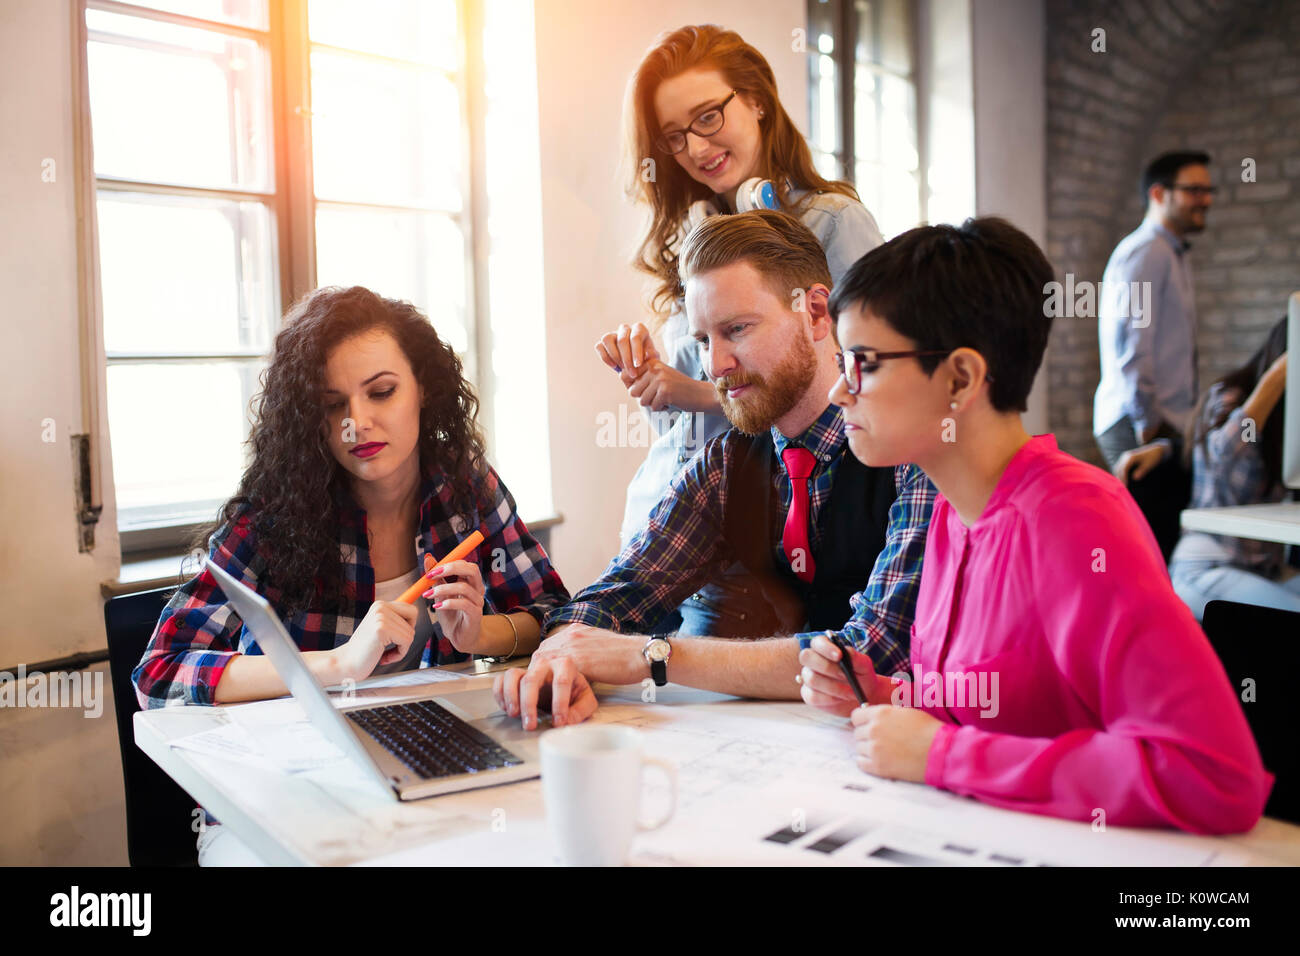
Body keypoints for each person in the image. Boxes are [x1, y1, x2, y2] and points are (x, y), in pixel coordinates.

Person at [799, 217, 1270, 833]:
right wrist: (887, 696)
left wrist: (942, 755)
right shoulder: (950, 508)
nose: (839, 391)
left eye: (863, 362)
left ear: (961, 378)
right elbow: (1004, 704)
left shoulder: (1076, 521)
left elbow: (1212, 776)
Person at [494, 210, 934, 730]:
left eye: (737, 330)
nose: (715, 365)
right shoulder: (728, 463)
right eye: (704, 341)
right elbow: (613, 597)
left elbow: (871, 652)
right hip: (798, 753)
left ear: (817, 312)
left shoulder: (912, 450)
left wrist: (652, 656)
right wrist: (560, 665)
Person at [134, 285, 569, 711]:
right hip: (312, 758)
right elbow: (160, 674)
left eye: (381, 393)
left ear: (424, 389)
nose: (356, 423)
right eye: (331, 405)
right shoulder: (275, 510)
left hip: (436, 737)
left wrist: (477, 636)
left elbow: (556, 618)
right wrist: (339, 663)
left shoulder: (463, 484)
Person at [598, 24, 884, 632]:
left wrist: (692, 391)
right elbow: (685, 426)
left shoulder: (832, 224)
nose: (696, 148)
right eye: (674, 136)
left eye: (707, 117)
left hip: (770, 531)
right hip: (683, 520)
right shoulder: (692, 240)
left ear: (755, 99)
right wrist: (654, 384)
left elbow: (855, 380)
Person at [1125, 318, 1297, 620]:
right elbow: (1222, 454)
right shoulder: (1231, 397)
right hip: (1206, 568)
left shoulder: (1288, 422)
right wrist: (1278, 378)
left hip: (1262, 570)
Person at [1093, 150, 1214, 560]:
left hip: (1160, 424)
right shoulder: (1147, 253)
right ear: (1159, 193)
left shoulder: (1171, 252)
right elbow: (1132, 349)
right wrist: (1150, 428)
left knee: (1164, 551)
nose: (1206, 199)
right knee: (1149, 557)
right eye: (1194, 190)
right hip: (1139, 424)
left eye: (1208, 189)